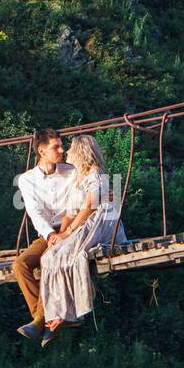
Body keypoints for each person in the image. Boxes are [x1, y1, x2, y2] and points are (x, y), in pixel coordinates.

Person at [37, 135, 127, 347]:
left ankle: (69, 312)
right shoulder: (77, 178)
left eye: (69, 150)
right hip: (82, 223)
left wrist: (68, 233)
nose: (66, 153)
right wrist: (61, 233)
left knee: (68, 254)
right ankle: (59, 313)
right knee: (50, 256)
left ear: (80, 152)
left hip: (99, 223)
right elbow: (70, 211)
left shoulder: (96, 173)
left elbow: (91, 206)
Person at [12, 129, 77, 340]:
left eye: (61, 145)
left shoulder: (72, 171)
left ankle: (39, 321)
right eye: (55, 147)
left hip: (70, 231)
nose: (61, 149)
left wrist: (64, 233)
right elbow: (34, 212)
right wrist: (50, 236)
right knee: (19, 265)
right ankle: (44, 318)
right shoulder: (27, 179)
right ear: (41, 151)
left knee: (49, 259)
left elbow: (83, 201)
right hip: (47, 233)